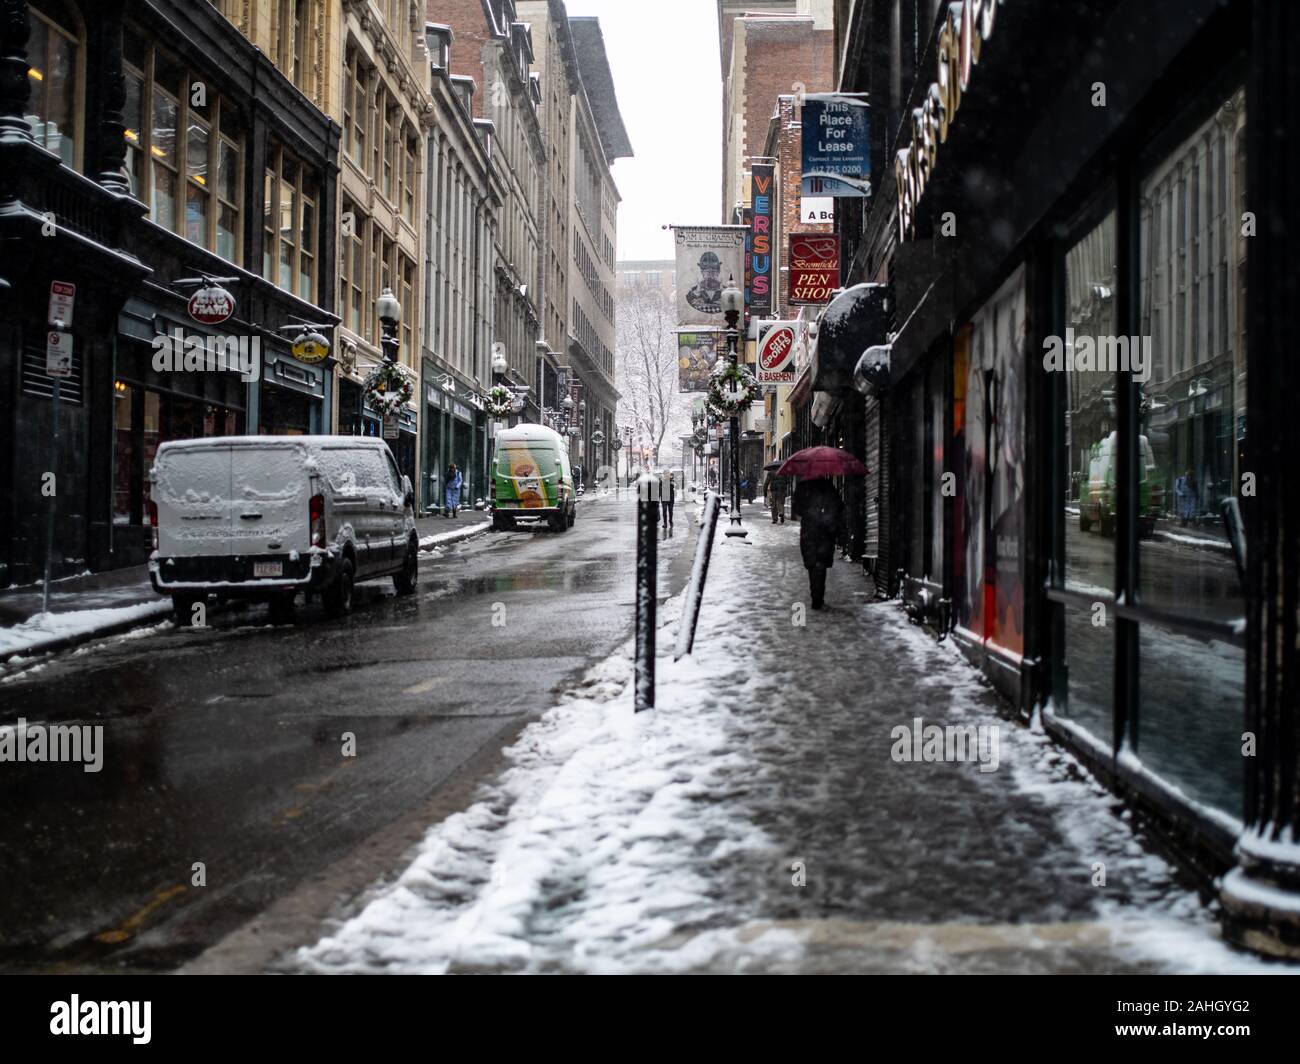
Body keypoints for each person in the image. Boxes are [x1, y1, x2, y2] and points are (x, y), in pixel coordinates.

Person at [792, 477, 845, 610]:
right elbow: (839, 506)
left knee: (812, 563)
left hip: (809, 530)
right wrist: (826, 513)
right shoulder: (828, 486)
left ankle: (816, 595)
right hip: (825, 531)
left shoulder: (803, 486)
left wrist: (809, 512)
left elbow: (796, 508)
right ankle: (818, 596)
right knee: (820, 564)